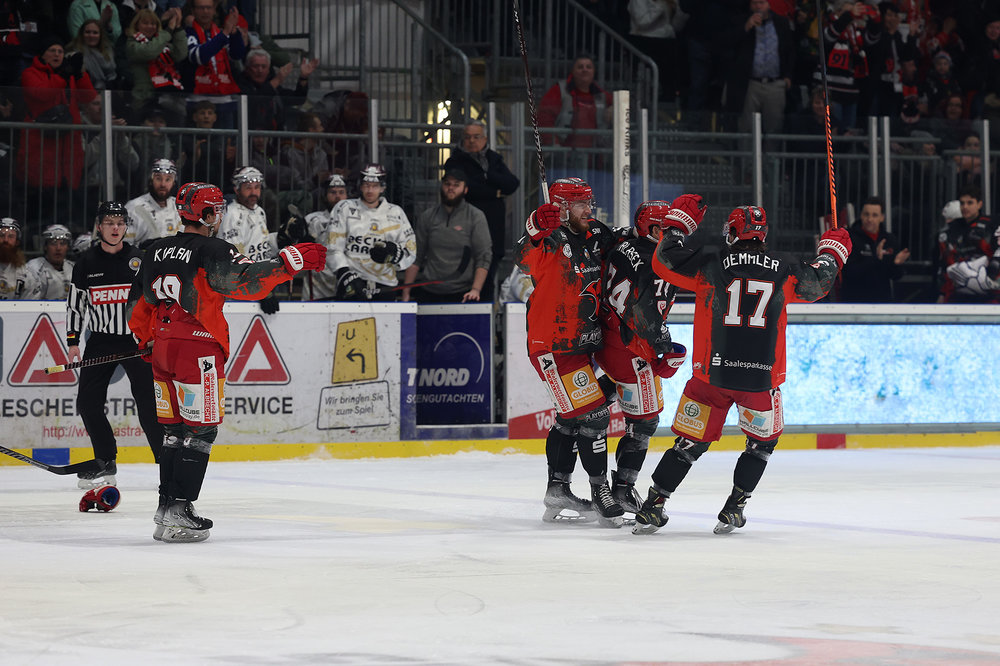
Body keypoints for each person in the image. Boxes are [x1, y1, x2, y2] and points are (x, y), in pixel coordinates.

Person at [632, 205, 851, 535]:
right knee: (761, 445)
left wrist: (676, 224)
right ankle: (735, 507)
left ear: (732, 233)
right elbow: (818, 284)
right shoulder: (786, 266)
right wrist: (832, 251)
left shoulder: (711, 260)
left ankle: (653, 506)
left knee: (688, 445)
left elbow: (664, 260)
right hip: (760, 380)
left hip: (711, 377)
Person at [129, 181, 327, 542]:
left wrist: (146, 340)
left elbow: (138, 305)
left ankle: (165, 508)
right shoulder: (213, 248)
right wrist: (291, 261)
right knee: (200, 432)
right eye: (216, 209)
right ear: (205, 214)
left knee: (173, 433)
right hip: (198, 349)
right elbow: (248, 282)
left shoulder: (156, 249)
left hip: (163, 349)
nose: (219, 216)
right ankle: (180, 509)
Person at [515, 177, 631, 527]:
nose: (589, 209)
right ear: (562, 207)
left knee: (572, 416)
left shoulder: (595, 232)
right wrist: (535, 225)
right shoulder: (548, 238)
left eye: (589, 202)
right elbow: (524, 256)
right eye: (581, 203)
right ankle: (600, 491)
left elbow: (624, 243)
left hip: (587, 344)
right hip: (554, 346)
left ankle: (558, 488)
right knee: (594, 415)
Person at [594, 199, 697, 516]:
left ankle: (582, 418)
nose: (676, 239)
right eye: (670, 231)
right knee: (645, 421)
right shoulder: (652, 261)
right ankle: (622, 489)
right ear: (653, 230)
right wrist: (665, 345)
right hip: (630, 347)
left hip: (608, 337)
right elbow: (643, 315)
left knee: (600, 402)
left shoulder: (625, 242)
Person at [66, 201, 165, 489]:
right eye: (109, 223)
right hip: (100, 341)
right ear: (99, 226)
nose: (115, 228)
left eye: (120, 223)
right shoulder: (85, 263)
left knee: (149, 404)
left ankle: (164, 463)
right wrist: (73, 341)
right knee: (87, 402)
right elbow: (76, 305)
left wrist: (153, 336)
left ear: (126, 227)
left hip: (136, 342)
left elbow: (153, 302)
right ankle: (105, 460)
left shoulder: (139, 260)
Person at [442, 120, 520, 293]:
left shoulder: (493, 158)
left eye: (476, 137)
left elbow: (512, 184)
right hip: (465, 224)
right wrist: (495, 191)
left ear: (485, 139)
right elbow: (466, 189)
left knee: (489, 271)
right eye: (468, 137)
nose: (471, 141)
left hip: (493, 223)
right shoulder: (455, 161)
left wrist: (488, 175)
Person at [327, 163, 416, 301]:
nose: (370, 190)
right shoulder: (344, 208)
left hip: (385, 286)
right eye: (366, 185)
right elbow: (332, 247)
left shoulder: (396, 213)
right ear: (360, 186)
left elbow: (410, 250)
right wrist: (344, 273)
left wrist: (395, 255)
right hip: (352, 283)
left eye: (374, 186)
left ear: (383, 187)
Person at [401, 168, 491, 303]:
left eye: (456, 185)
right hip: (429, 290)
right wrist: (406, 292)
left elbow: (484, 255)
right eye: (447, 184)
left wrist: (476, 289)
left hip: (463, 292)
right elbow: (415, 257)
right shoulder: (427, 216)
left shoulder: (476, 217)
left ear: (465, 189)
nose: (451, 188)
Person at [216, 165, 280, 313]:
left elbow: (260, 247)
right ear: (237, 189)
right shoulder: (232, 215)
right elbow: (235, 260)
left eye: (257, 187)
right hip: (236, 291)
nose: (254, 192)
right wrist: (261, 289)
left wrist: (281, 238)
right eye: (248, 187)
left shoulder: (259, 211)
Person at [727, 0, 795, 135]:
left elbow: (790, 51)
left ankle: (772, 156)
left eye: (761, 2)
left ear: (769, 4)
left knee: (774, 127)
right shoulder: (740, 20)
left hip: (775, 83)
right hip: (751, 83)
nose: (758, 7)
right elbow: (728, 44)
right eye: (754, 3)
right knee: (747, 127)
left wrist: (788, 76)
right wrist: (746, 27)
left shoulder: (781, 23)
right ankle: (746, 156)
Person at [183, 0, 246, 129]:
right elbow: (198, 56)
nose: (205, 12)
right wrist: (225, 34)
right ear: (193, 11)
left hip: (224, 102)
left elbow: (237, 55)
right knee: (196, 145)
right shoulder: (187, 33)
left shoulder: (219, 33)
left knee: (225, 146)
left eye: (208, 8)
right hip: (196, 102)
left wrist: (234, 34)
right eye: (201, 8)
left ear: (214, 10)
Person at [840, 196, 910, 302]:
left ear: (882, 217)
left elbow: (895, 276)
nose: (870, 219)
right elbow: (848, 272)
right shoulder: (848, 237)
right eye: (866, 214)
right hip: (854, 303)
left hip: (881, 304)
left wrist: (896, 264)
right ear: (861, 216)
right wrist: (875, 259)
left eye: (875, 215)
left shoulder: (889, 240)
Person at [537, 55, 613, 153]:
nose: (584, 70)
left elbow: (624, 107)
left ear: (593, 72)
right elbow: (544, 119)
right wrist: (554, 146)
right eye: (580, 67)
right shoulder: (558, 91)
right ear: (573, 71)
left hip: (595, 159)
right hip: (564, 158)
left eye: (588, 67)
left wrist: (614, 108)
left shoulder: (602, 95)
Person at [125, 8, 187, 124]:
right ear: (137, 25)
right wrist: (168, 31)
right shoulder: (132, 43)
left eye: (153, 24)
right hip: (143, 99)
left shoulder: (162, 43)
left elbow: (181, 54)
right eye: (145, 23)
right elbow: (150, 52)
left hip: (167, 97)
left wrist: (178, 28)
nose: (150, 26)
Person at [937, 186, 995, 303]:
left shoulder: (992, 225)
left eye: (970, 203)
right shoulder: (951, 230)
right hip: (958, 291)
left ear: (979, 204)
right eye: (962, 203)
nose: (965, 207)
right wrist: (943, 293)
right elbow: (946, 265)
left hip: (988, 291)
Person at [238, 46, 317, 131]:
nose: (260, 70)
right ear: (247, 68)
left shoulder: (272, 85)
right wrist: (277, 80)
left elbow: (297, 99)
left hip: (272, 138)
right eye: (256, 66)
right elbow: (256, 100)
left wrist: (303, 77)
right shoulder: (240, 83)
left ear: (268, 70)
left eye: (263, 66)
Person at [299, 174, 349, 300]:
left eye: (341, 192)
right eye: (333, 192)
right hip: (317, 290)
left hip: (345, 283)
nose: (338, 196)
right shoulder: (312, 220)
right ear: (324, 196)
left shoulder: (356, 222)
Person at [125, 158, 182, 247]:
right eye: (158, 178)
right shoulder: (133, 208)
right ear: (151, 180)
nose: (163, 184)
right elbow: (125, 246)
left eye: (168, 179)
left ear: (174, 183)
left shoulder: (180, 207)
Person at [66, 19, 117, 90]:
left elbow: (112, 75)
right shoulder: (73, 54)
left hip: (107, 93)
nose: (91, 35)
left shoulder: (109, 51)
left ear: (100, 35)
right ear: (82, 34)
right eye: (87, 32)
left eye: (95, 33)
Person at [26, 224, 74, 300]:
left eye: (62, 243)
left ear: (68, 247)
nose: (58, 248)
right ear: (45, 246)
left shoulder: (73, 268)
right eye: (53, 243)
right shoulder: (33, 268)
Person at [0, 217, 42, 300]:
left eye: (11, 236)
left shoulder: (28, 276)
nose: (5, 240)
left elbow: (28, 310)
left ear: (17, 242)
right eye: (1, 235)